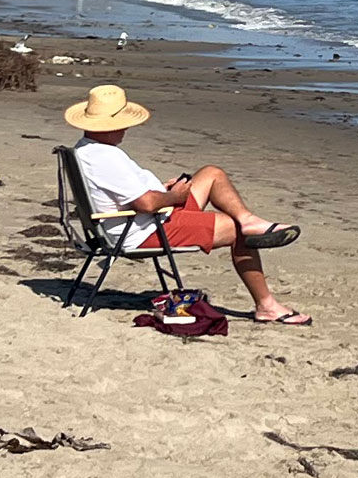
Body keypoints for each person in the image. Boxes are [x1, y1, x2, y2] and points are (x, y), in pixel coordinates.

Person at [65, 84, 310, 326]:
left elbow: (127, 194)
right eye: (124, 122)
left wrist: (166, 190)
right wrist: (174, 197)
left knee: (212, 174)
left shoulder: (88, 150)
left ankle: (249, 220)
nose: (128, 127)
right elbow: (146, 203)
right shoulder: (106, 158)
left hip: (143, 219)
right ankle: (267, 306)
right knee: (235, 230)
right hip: (143, 230)